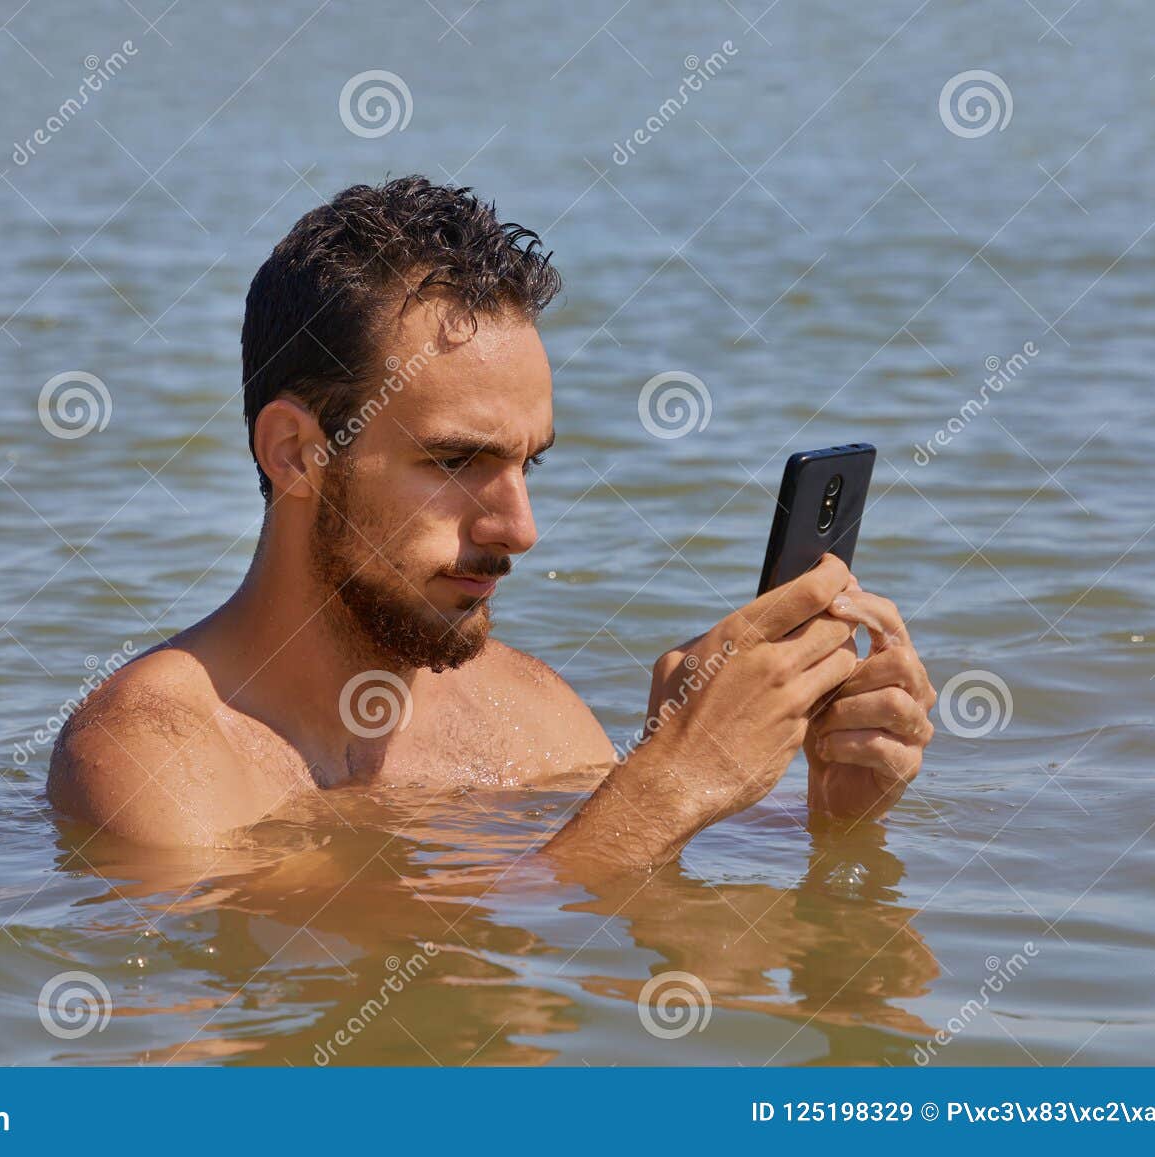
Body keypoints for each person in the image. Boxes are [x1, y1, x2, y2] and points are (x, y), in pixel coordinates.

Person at [47, 175, 937, 874]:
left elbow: (612, 942)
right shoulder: (151, 752)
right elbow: (341, 964)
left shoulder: (534, 719)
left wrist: (836, 816)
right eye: (455, 462)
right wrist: (673, 779)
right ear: (294, 453)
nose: (518, 527)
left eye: (527, 463)